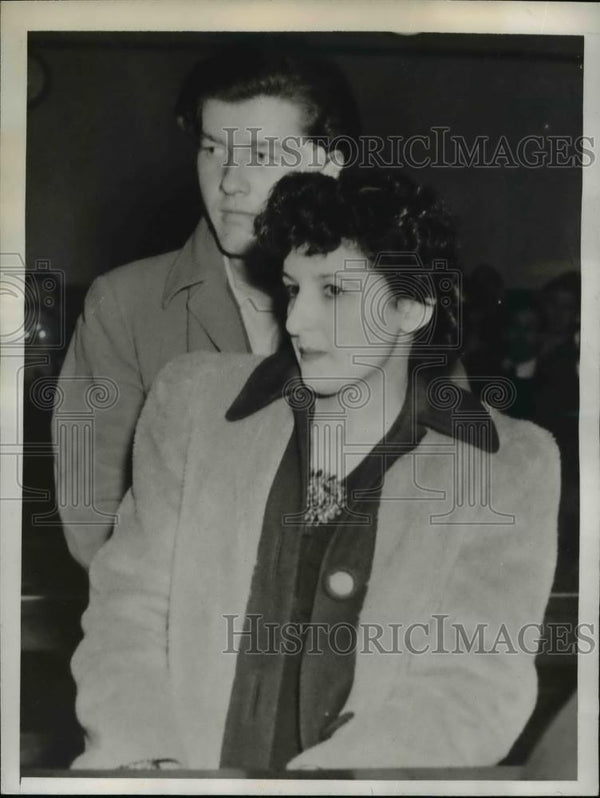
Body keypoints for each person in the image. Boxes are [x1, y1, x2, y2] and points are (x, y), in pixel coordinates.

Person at [71, 170, 559, 770]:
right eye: (291, 289)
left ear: (411, 307)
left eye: (333, 291)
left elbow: (474, 682)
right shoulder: (194, 404)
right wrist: (147, 761)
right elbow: (128, 612)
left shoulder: (506, 464)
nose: (297, 321)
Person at [54, 41, 360, 568]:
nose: (229, 183)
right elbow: (93, 520)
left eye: (261, 155)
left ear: (329, 166)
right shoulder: (125, 307)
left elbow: (444, 490)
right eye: (213, 149)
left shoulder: (393, 303)